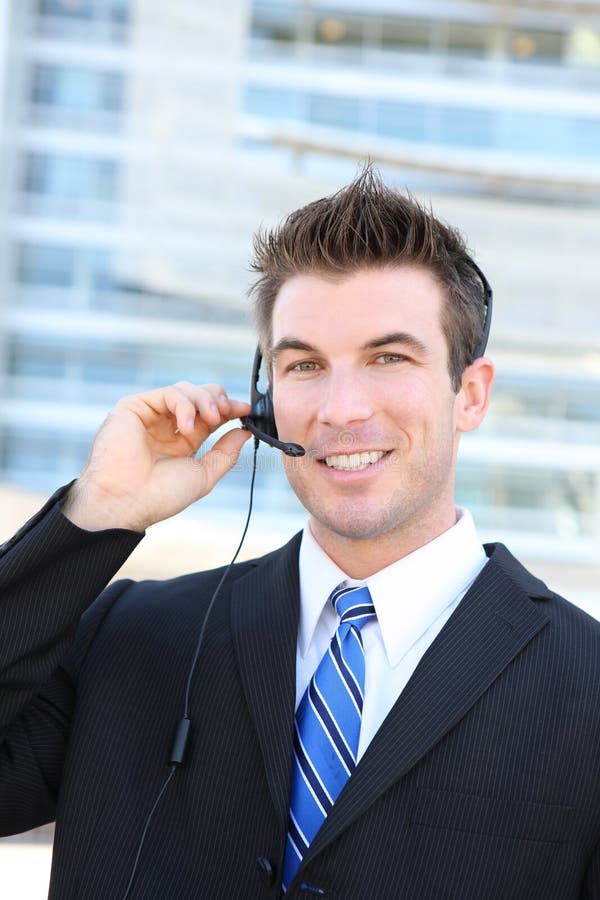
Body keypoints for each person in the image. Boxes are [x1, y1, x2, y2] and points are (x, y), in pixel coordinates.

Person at [1, 167, 599, 899]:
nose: (341, 408)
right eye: (305, 365)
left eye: (389, 358)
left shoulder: (587, 686)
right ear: (264, 401)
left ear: (468, 394)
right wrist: (94, 513)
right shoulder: (128, 638)